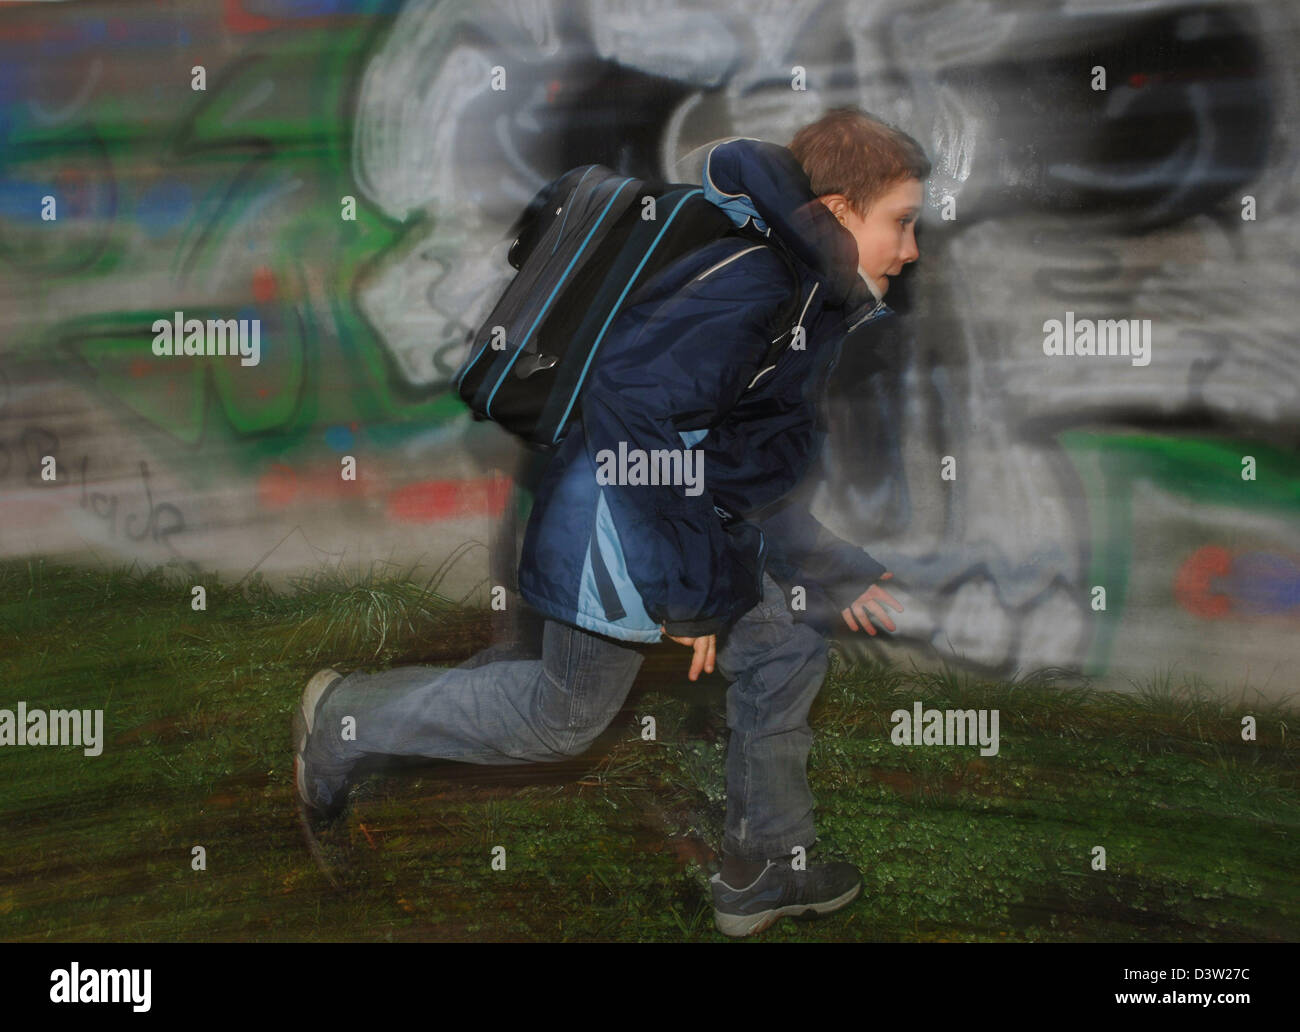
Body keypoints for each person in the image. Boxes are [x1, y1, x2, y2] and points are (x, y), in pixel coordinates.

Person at [293, 107, 928, 937]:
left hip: (669, 518)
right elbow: (632, 408)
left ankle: (765, 862)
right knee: (560, 716)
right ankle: (345, 720)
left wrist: (831, 566)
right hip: (620, 523)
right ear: (841, 211)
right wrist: (691, 595)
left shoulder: (805, 290)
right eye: (902, 223)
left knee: (784, 647)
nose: (912, 249)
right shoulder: (758, 278)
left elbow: (746, 462)